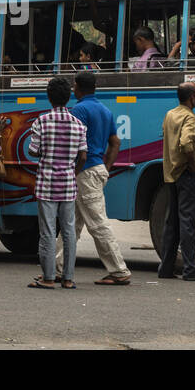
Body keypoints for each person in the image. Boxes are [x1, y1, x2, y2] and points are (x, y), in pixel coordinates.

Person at [55, 70, 130, 285]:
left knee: (97, 223)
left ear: (78, 86)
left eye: (74, 85)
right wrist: (106, 167)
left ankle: (119, 270)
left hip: (83, 171)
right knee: (72, 223)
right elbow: (115, 142)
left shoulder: (79, 110)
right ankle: (56, 267)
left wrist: (74, 171)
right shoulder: (105, 110)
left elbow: (76, 145)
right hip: (96, 169)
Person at [26, 76, 88, 290]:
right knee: (69, 232)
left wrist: (46, 152)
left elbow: (33, 151)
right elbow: (82, 156)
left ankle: (49, 277)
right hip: (68, 184)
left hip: (46, 183)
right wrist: (72, 171)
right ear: (69, 97)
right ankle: (68, 278)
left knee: (47, 232)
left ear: (49, 97)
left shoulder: (41, 121)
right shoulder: (79, 125)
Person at [158, 82, 195, 281]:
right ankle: (190, 269)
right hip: (185, 173)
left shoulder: (170, 114)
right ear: (191, 97)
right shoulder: (189, 116)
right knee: (187, 222)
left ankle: (166, 268)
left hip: (171, 173)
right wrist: (192, 165)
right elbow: (186, 143)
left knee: (171, 222)